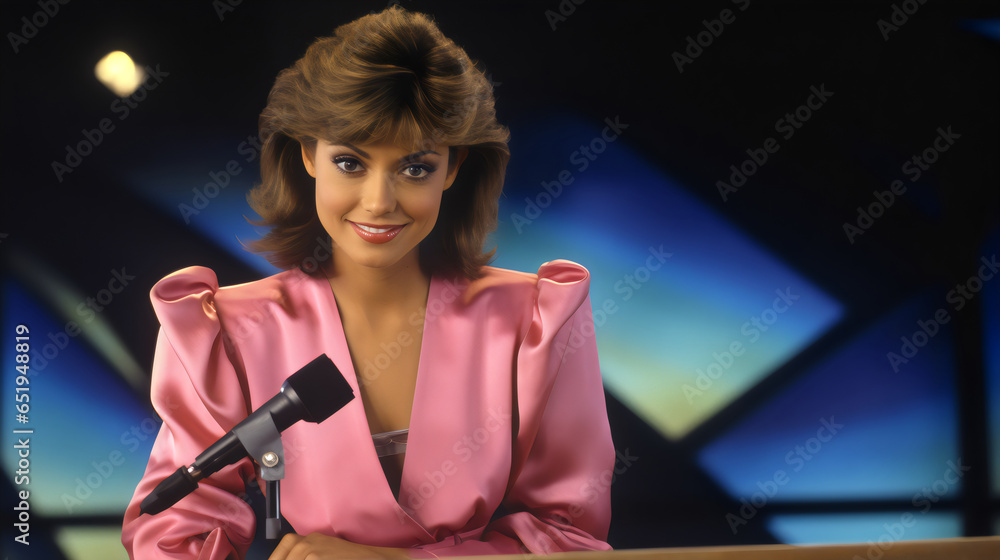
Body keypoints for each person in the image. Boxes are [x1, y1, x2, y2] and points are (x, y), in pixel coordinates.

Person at [122, 5, 614, 559]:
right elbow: (169, 530)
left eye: (415, 168)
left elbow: (571, 538)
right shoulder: (226, 330)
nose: (379, 203)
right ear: (308, 153)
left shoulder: (536, 321)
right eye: (351, 163)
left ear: (453, 169)